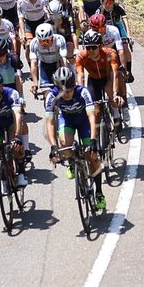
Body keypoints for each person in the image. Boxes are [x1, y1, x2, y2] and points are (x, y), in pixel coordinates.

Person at [44, 66, 105, 211]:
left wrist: (93, 140)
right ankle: (72, 162)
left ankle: (99, 192)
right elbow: (50, 122)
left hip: (84, 121)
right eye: (62, 91)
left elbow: (92, 116)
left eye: (69, 91)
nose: (65, 95)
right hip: (67, 120)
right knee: (65, 144)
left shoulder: (83, 92)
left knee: (92, 156)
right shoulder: (51, 96)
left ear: (73, 86)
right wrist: (53, 146)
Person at [29, 22, 68, 97]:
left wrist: (65, 76)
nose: (44, 44)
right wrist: (35, 82)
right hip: (44, 64)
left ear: (52, 37)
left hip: (57, 64)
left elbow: (63, 60)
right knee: (47, 95)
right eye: (41, 41)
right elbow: (33, 62)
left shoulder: (60, 39)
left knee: (62, 92)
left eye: (47, 41)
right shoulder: (34, 43)